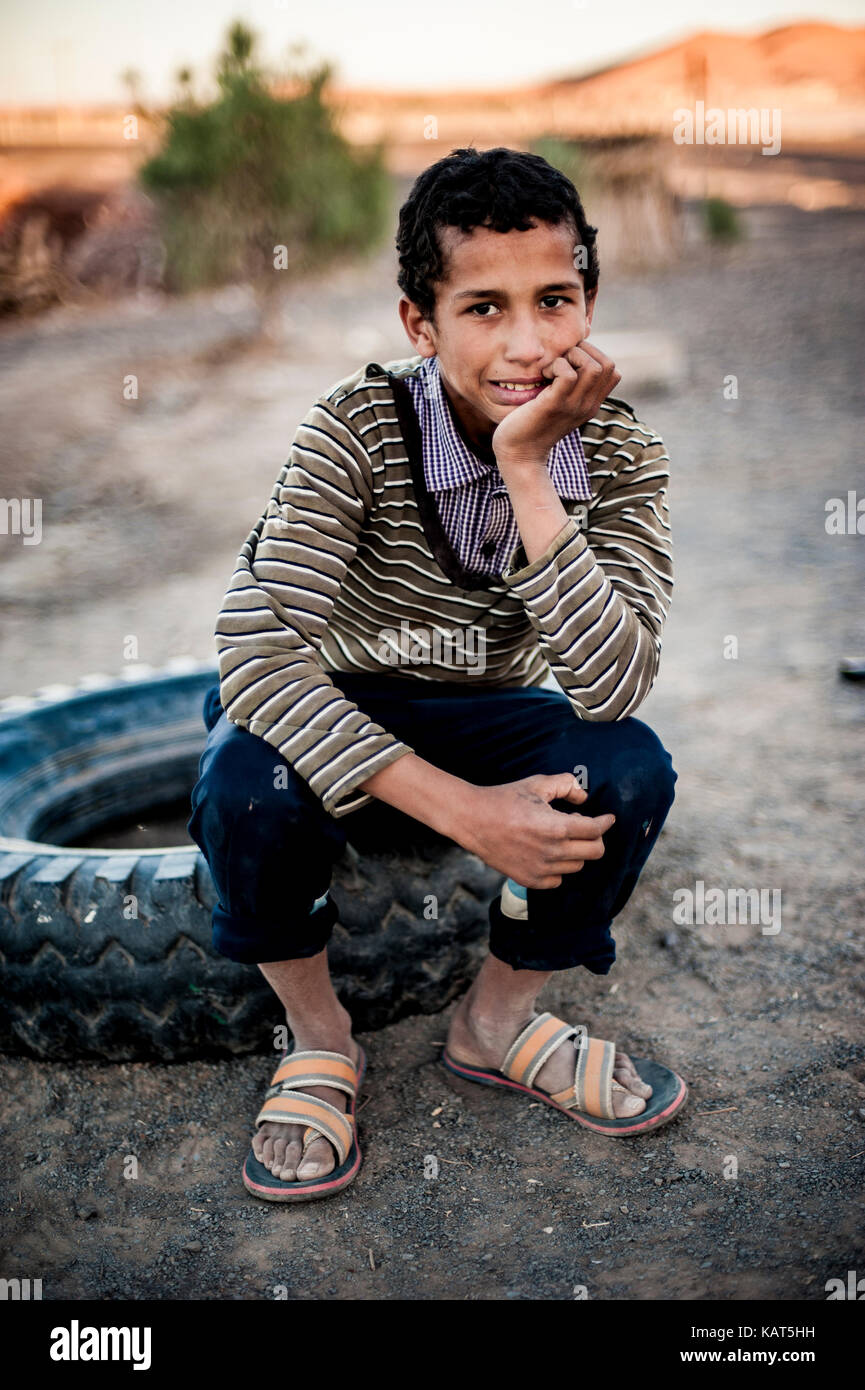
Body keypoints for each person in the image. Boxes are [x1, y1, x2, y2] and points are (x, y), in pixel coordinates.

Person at [187, 145, 687, 1204]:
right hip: (342, 692)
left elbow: (611, 684)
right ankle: (322, 1036)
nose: (524, 342)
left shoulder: (623, 454)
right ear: (420, 322)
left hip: (489, 708)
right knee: (247, 784)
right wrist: (469, 813)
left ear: (588, 297)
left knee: (628, 767)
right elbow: (258, 653)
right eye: (482, 308)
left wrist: (527, 468)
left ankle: (495, 1022)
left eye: (553, 300)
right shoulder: (356, 428)